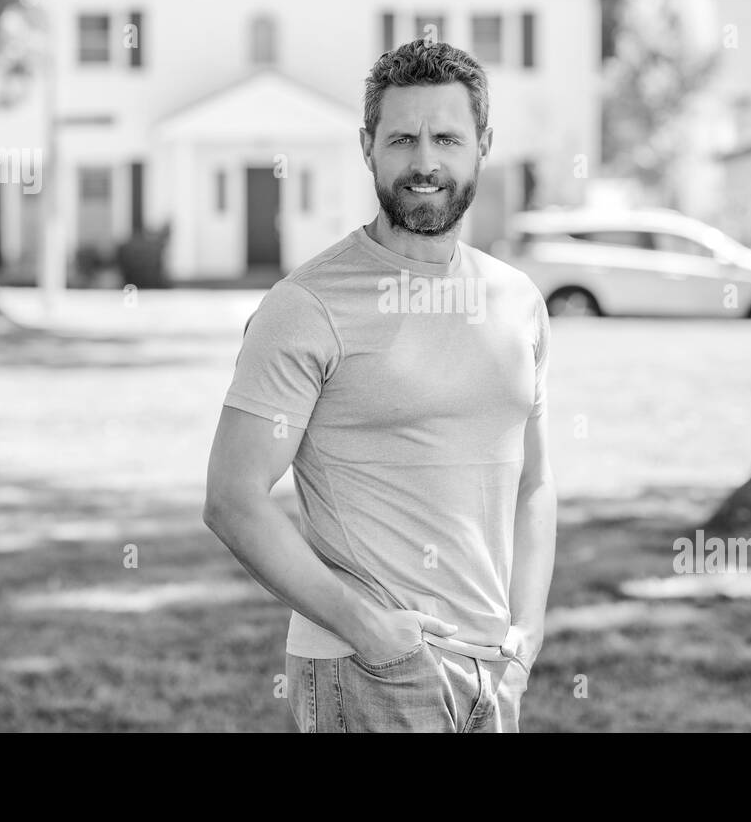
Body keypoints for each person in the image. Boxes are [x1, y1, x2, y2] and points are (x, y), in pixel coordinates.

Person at [203, 39, 556, 732]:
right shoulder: (307, 305)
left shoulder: (518, 301)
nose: (424, 162)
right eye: (402, 139)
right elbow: (232, 498)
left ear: (483, 144)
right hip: (369, 671)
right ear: (368, 147)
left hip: (492, 671)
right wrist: (367, 628)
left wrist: (528, 633)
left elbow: (534, 481)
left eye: (448, 138)